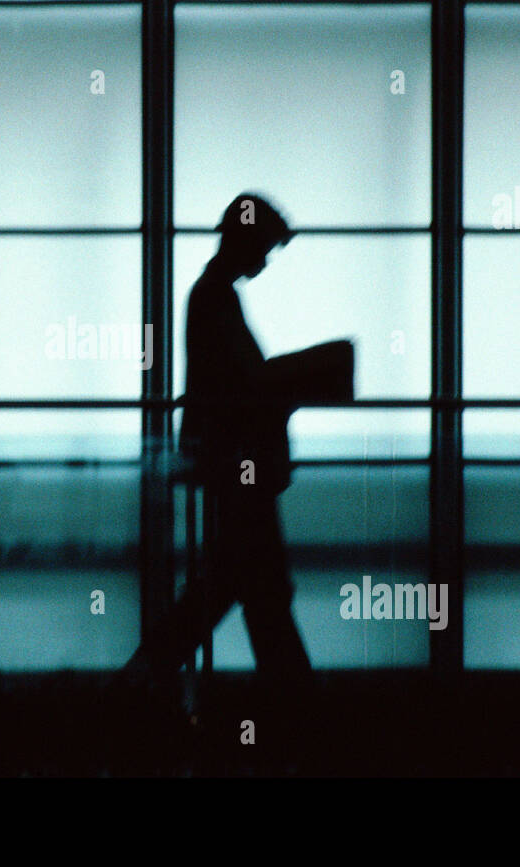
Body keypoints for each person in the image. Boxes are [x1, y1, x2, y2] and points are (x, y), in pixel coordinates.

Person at [123, 192, 313, 680]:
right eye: (264, 249)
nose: (265, 261)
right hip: (240, 469)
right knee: (256, 589)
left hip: (231, 467)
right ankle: (296, 706)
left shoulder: (211, 296)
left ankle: (141, 680)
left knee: (237, 586)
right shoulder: (216, 298)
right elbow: (241, 385)